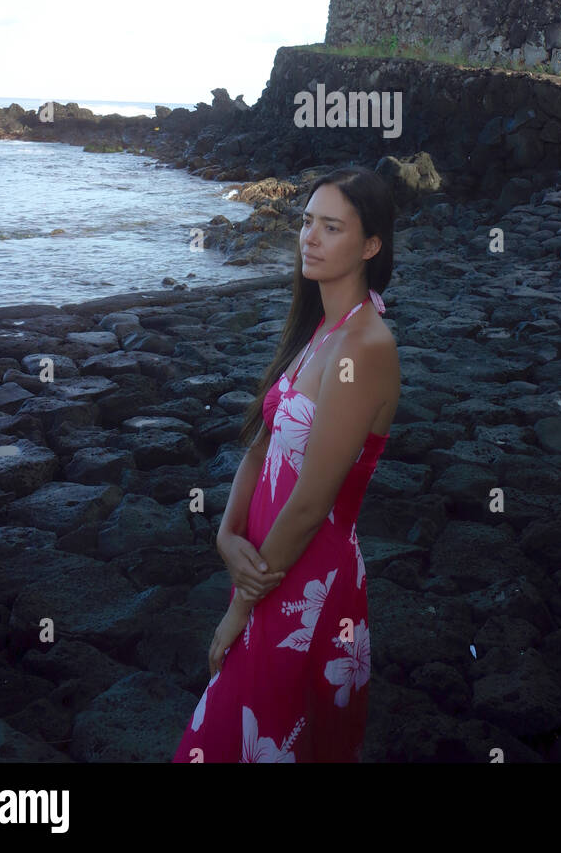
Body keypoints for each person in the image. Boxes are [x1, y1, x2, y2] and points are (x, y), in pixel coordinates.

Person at [172, 165, 400, 763]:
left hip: (306, 585)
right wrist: (226, 533)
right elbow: (263, 445)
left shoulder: (364, 349)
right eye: (306, 223)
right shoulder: (320, 330)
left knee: (244, 738)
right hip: (264, 564)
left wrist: (240, 611)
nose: (310, 238)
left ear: (371, 246)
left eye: (331, 227)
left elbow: (311, 502)